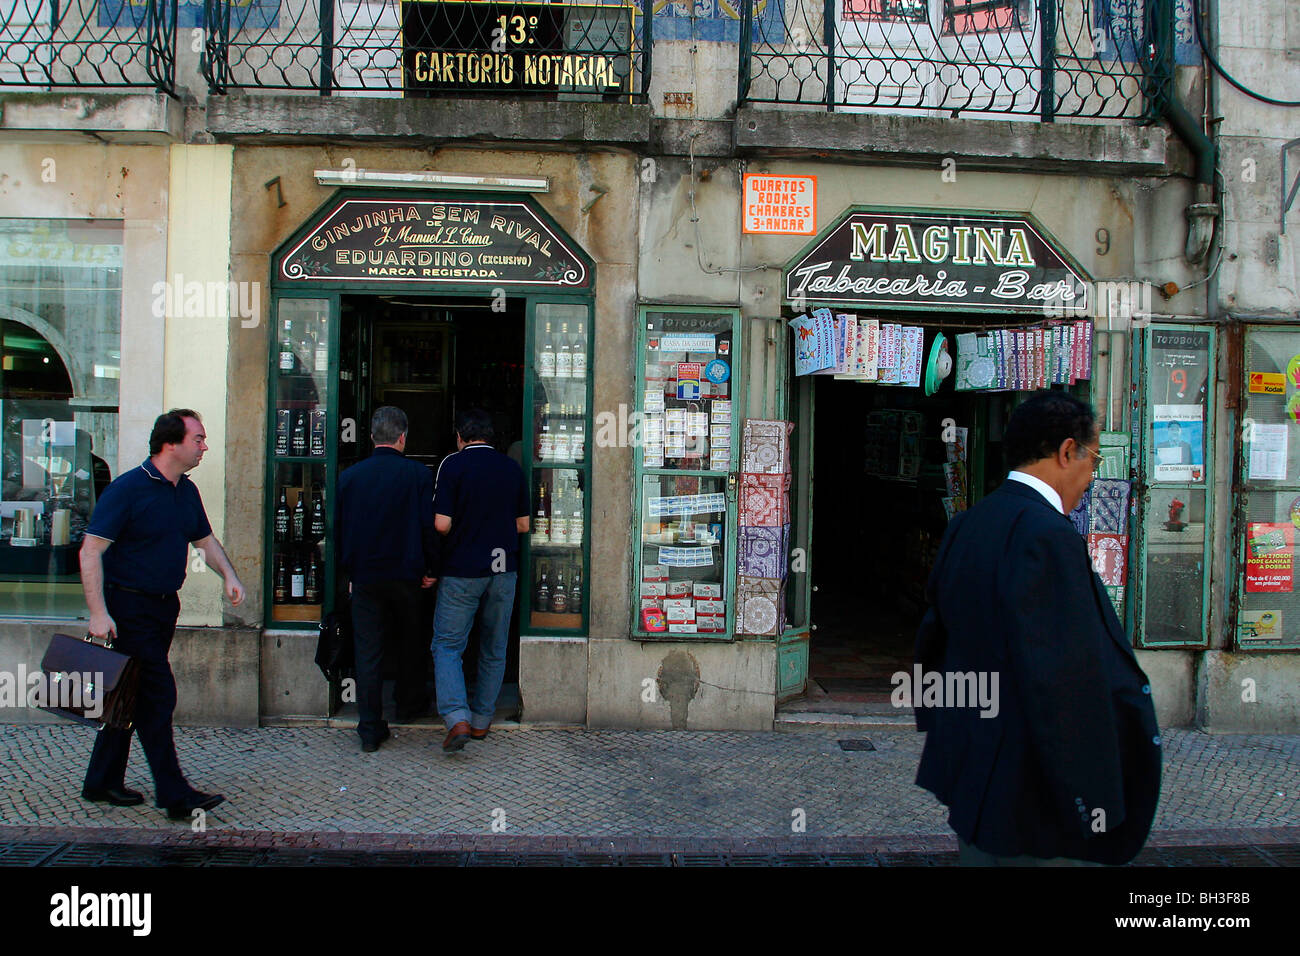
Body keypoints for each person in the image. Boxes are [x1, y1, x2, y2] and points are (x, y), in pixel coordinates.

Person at [914, 390, 1161, 865]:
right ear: (1068, 451)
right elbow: (1063, 681)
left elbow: (934, 643)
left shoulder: (969, 523)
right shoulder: (1048, 535)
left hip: (974, 777)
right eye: (1093, 458)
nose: (1092, 476)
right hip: (1031, 797)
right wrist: (1092, 802)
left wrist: (952, 733)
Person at [79, 409, 245, 820]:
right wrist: (98, 613)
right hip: (127, 606)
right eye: (198, 439)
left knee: (128, 691)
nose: (205, 446)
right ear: (171, 443)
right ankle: (173, 793)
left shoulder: (184, 491)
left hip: (163, 605)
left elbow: (204, 540)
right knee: (158, 695)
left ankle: (101, 781)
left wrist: (229, 575)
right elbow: (91, 551)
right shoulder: (128, 489)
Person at [335, 406, 437, 752]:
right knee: (411, 642)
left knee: (368, 651)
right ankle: (408, 704)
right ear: (403, 436)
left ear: (372, 436)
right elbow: (427, 528)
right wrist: (430, 568)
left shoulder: (350, 477)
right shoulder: (419, 475)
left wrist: (348, 573)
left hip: (365, 575)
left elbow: (341, 532)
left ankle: (369, 726)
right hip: (407, 575)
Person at [431, 407, 529, 752]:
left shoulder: (452, 465)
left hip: (462, 571)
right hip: (504, 571)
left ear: (460, 436)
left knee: (447, 645)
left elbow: (441, 524)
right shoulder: (512, 468)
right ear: (492, 438)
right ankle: (481, 721)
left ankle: (457, 716)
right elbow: (523, 525)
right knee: (494, 646)